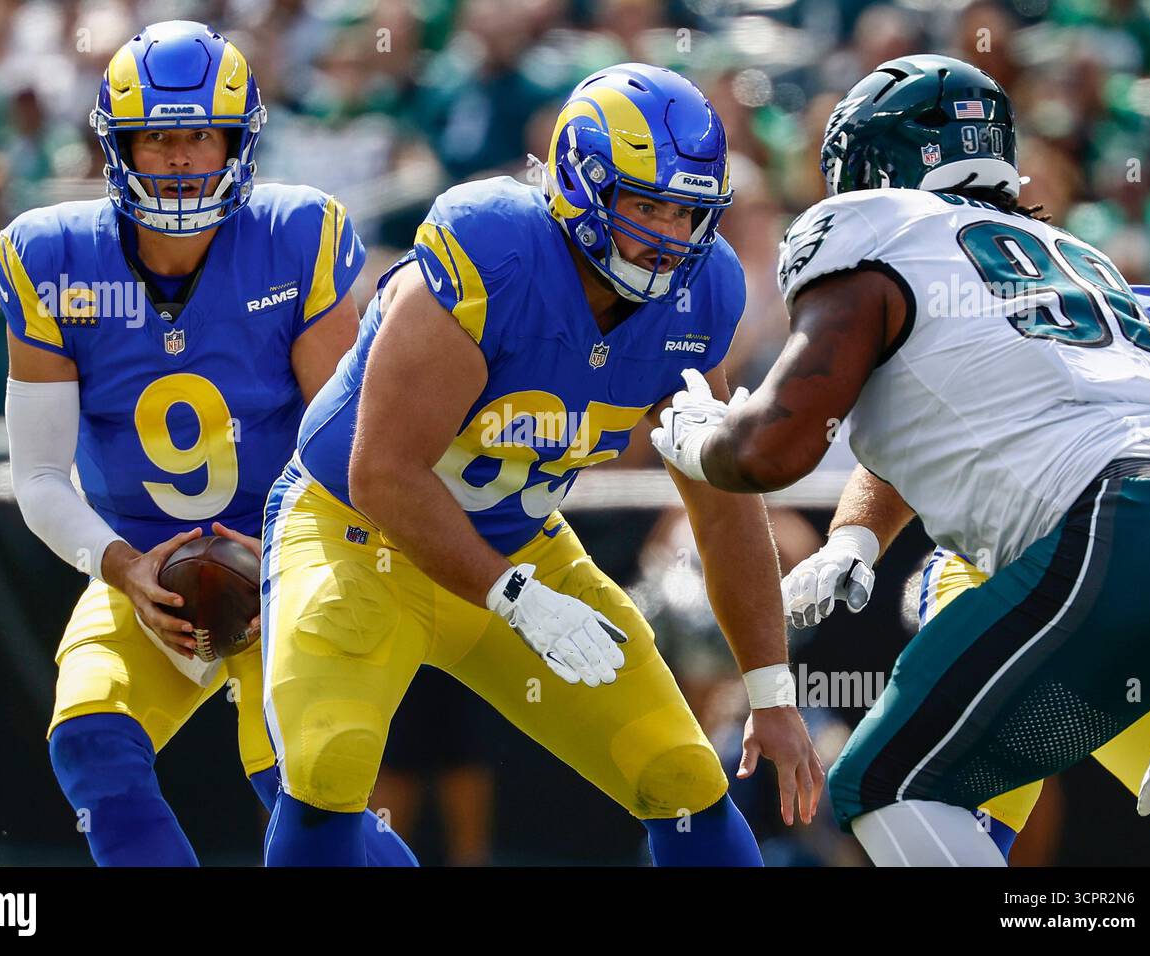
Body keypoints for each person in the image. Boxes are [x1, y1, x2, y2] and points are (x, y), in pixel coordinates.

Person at [260, 63, 822, 867]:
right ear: (579, 185)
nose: (670, 234)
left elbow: (722, 501)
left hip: (516, 538)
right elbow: (382, 472)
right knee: (329, 762)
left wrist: (771, 693)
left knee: (681, 774)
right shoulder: (493, 256)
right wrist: (510, 596)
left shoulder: (701, 301)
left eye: (688, 211)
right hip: (358, 535)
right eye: (645, 204)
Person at [652, 53, 1150, 865]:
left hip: (1113, 528)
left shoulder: (875, 229)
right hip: (1147, 510)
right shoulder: (1082, 262)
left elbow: (772, 448)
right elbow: (945, 403)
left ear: (870, 168)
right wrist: (855, 536)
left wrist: (698, 435)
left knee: (885, 784)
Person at [0, 20, 414, 866]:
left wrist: (285, 560)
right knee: (88, 739)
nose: (180, 156)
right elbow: (39, 476)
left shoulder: (297, 237)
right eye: (155, 137)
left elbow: (346, 446)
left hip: (293, 558)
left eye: (198, 135)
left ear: (237, 142)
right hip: (144, 564)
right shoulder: (51, 259)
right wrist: (123, 567)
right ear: (119, 147)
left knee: (308, 801)